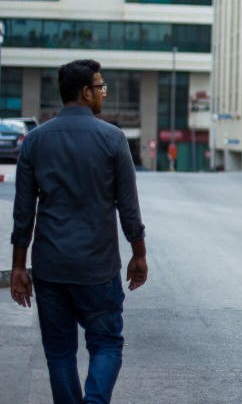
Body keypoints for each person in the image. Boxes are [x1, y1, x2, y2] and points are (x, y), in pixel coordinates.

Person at [9, 59, 147, 404]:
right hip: (98, 268)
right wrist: (139, 253)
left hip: (50, 268)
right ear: (85, 92)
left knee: (59, 352)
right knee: (107, 344)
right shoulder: (113, 139)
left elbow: (23, 213)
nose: (104, 93)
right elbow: (128, 207)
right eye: (100, 87)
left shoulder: (35, 141)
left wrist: (18, 267)